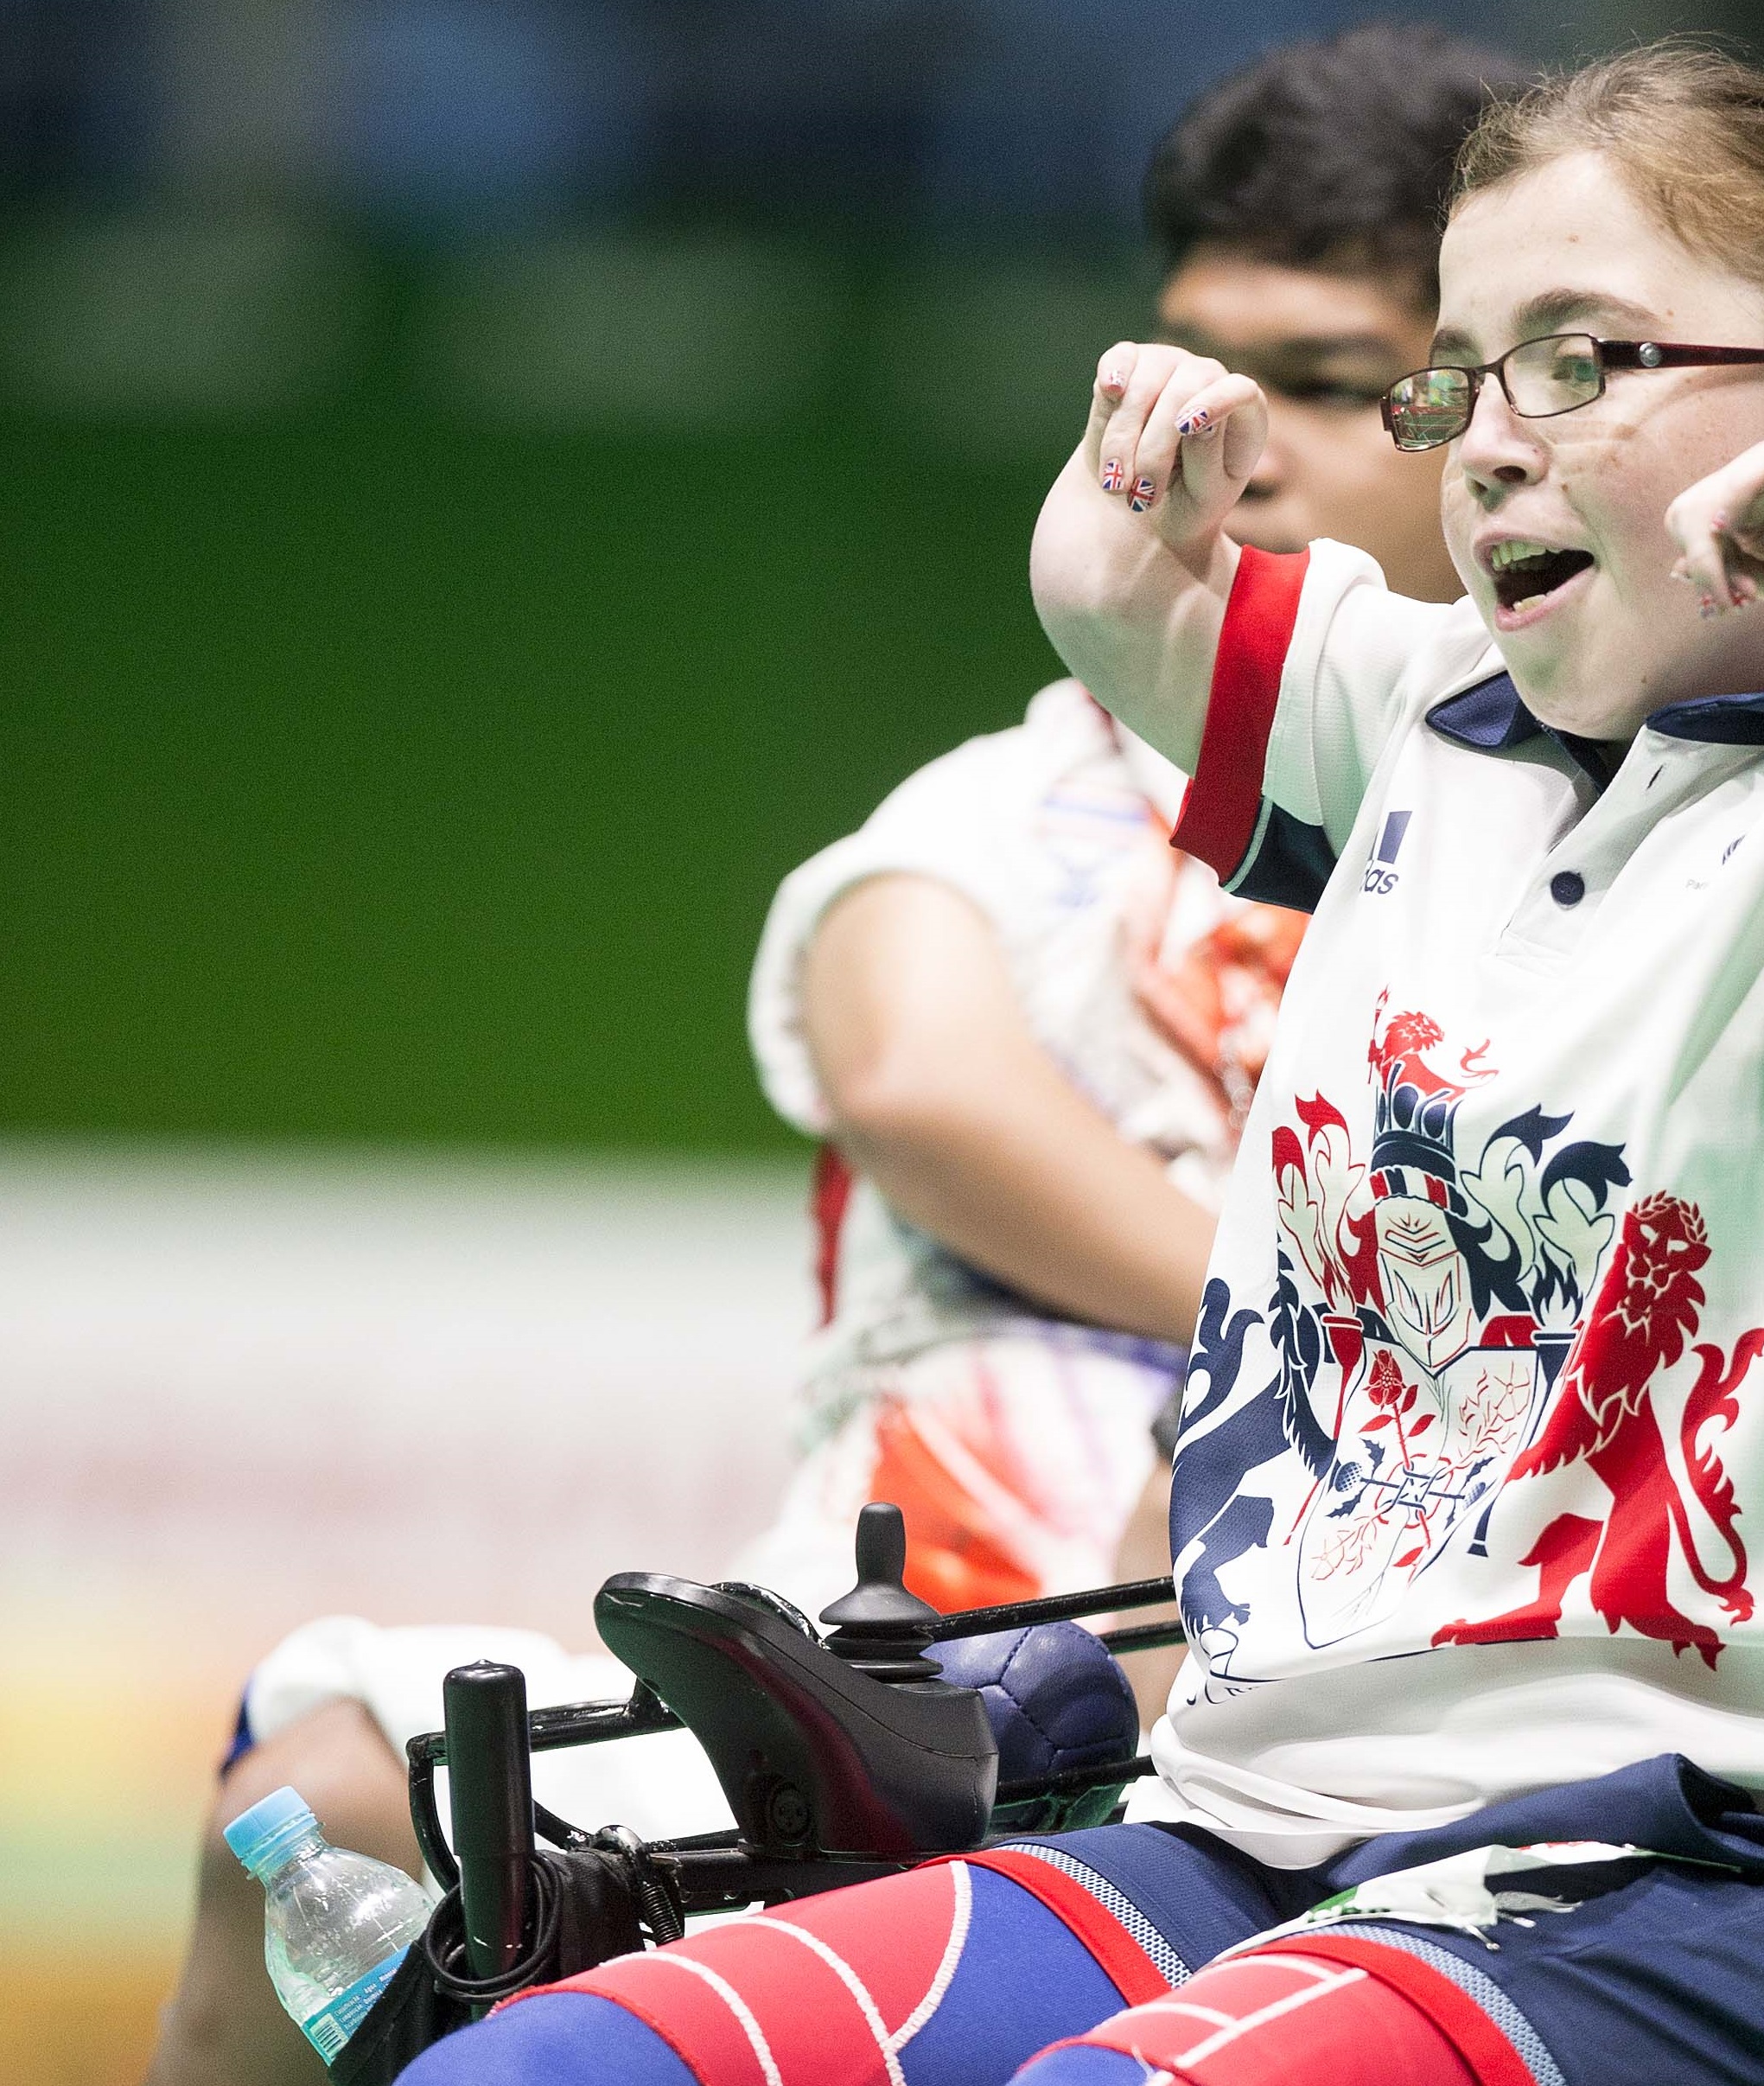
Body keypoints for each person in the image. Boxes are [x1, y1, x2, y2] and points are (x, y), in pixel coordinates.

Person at [404, 43, 1764, 2086]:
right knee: (523, 2072)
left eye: (1583, 359)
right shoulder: (1442, 723)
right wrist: (1117, 532)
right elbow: (1139, 609)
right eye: (1457, 377)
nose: (1488, 442)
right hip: (1258, 1837)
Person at [138, 27, 1527, 2086]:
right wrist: (1312, 1319)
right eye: (1186, 375)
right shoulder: (1009, 808)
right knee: (321, 1815)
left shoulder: (1607, 847)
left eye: (1323, 381)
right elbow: (920, 1084)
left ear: (1476, 414)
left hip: (1360, 1721)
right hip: (890, 1692)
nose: (1233, 447)